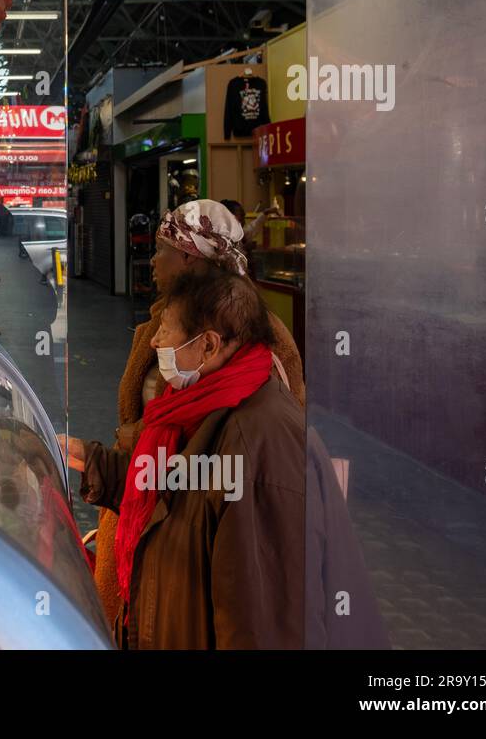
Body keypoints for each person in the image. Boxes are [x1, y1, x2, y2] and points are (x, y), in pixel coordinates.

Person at [62, 270, 385, 648]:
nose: (155, 342)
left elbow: (262, 625)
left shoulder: (258, 444)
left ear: (209, 345)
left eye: (166, 331)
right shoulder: (205, 406)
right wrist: (92, 460)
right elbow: (180, 488)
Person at [60, 198, 304, 625]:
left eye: (162, 250)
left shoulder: (253, 348)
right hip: (154, 518)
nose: (152, 260)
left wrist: (130, 448)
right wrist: (96, 460)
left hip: (190, 554)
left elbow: (255, 597)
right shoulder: (166, 320)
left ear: (190, 258)